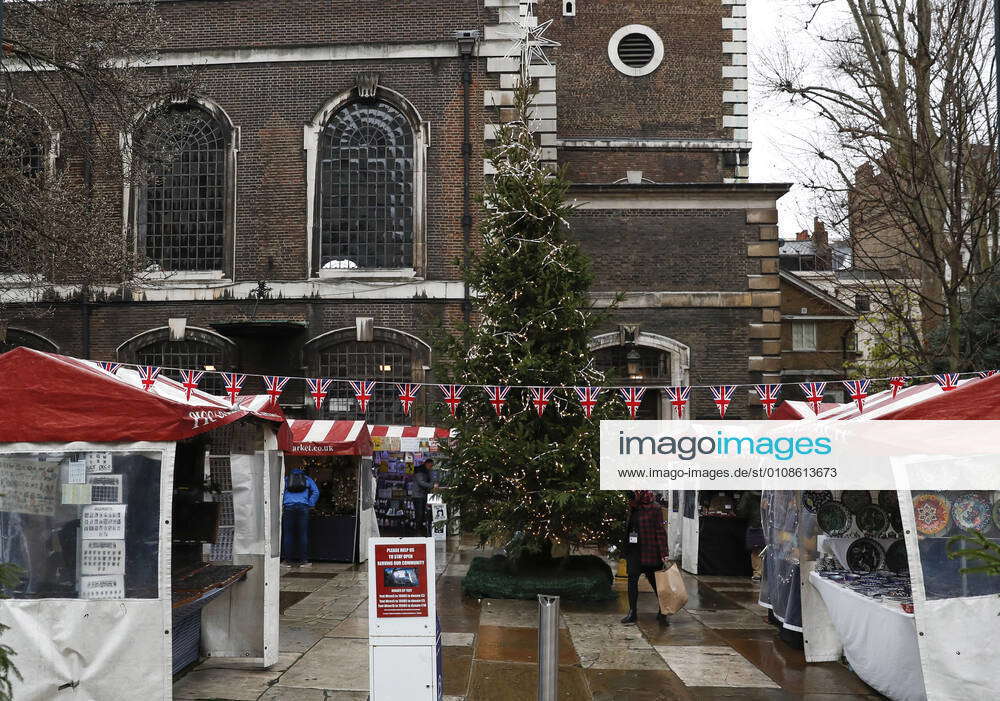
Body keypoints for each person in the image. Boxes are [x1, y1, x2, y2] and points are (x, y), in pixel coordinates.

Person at [622, 490, 670, 625]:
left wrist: (664, 553)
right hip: (634, 551)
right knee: (632, 580)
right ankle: (632, 612)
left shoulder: (654, 508)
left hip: (650, 551)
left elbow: (660, 531)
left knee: (656, 583)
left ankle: (663, 611)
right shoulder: (633, 506)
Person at [282, 466, 319, 567]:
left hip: (288, 508)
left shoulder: (285, 479)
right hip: (303, 508)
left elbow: (280, 492)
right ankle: (304, 561)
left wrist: (283, 503)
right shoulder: (307, 479)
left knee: (288, 534)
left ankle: (287, 561)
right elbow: (316, 492)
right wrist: (310, 503)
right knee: (303, 534)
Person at [737, 491, 764, 581]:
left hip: (754, 524)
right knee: (771, 549)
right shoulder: (771, 491)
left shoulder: (748, 494)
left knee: (755, 550)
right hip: (770, 525)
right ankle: (769, 572)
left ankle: (758, 572)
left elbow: (741, 511)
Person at [411, 459, 435, 536]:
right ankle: (418, 531)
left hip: (422, 495)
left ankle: (420, 530)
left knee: (421, 513)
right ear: (427, 464)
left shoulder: (426, 471)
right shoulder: (419, 471)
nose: (431, 467)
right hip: (417, 496)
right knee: (419, 513)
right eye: (430, 465)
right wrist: (432, 485)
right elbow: (421, 482)